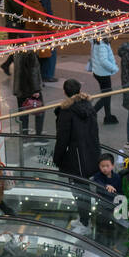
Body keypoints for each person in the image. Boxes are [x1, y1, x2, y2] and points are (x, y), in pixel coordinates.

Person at [53, 79, 100, 233]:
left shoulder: (66, 112)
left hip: (76, 158)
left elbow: (62, 139)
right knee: (84, 188)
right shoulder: (88, 106)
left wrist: (57, 158)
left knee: (79, 190)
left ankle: (85, 223)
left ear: (65, 92)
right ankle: (84, 219)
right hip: (91, 153)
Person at [0, 0, 26, 75]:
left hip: (13, 18)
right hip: (14, 19)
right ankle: (7, 64)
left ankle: (7, 64)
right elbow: (15, 3)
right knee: (17, 44)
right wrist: (24, 10)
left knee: (17, 44)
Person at [13, 45, 45, 138]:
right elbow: (33, 72)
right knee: (40, 112)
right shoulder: (30, 53)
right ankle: (38, 136)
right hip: (30, 89)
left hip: (20, 89)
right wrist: (36, 89)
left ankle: (24, 136)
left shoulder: (17, 51)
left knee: (23, 114)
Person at [89, 37, 120, 125]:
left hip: (98, 72)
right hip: (103, 73)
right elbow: (103, 61)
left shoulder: (96, 41)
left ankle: (108, 116)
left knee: (106, 94)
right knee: (106, 95)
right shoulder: (102, 44)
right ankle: (91, 113)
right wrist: (114, 68)